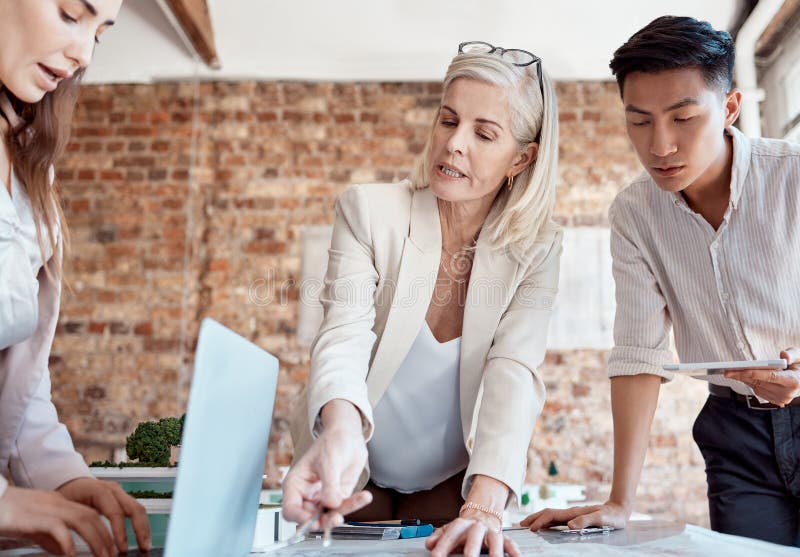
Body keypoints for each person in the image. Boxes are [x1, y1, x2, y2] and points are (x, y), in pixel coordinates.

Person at [522, 16, 800, 546]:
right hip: (735, 434)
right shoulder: (634, 213)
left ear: (730, 108)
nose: (660, 145)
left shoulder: (793, 176)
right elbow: (637, 353)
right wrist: (619, 501)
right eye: (639, 121)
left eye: (683, 118)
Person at [282, 41, 562, 556]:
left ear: (521, 158)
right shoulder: (369, 212)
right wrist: (340, 432)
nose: (454, 143)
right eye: (448, 120)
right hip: (354, 464)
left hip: (450, 478)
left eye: (483, 133)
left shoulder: (536, 248)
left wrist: (485, 505)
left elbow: (514, 371)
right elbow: (343, 335)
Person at [0, 1, 151, 555]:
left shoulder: (27, 161)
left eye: (100, 35)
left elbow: (16, 372)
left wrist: (62, 477)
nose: (84, 54)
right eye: (70, 14)